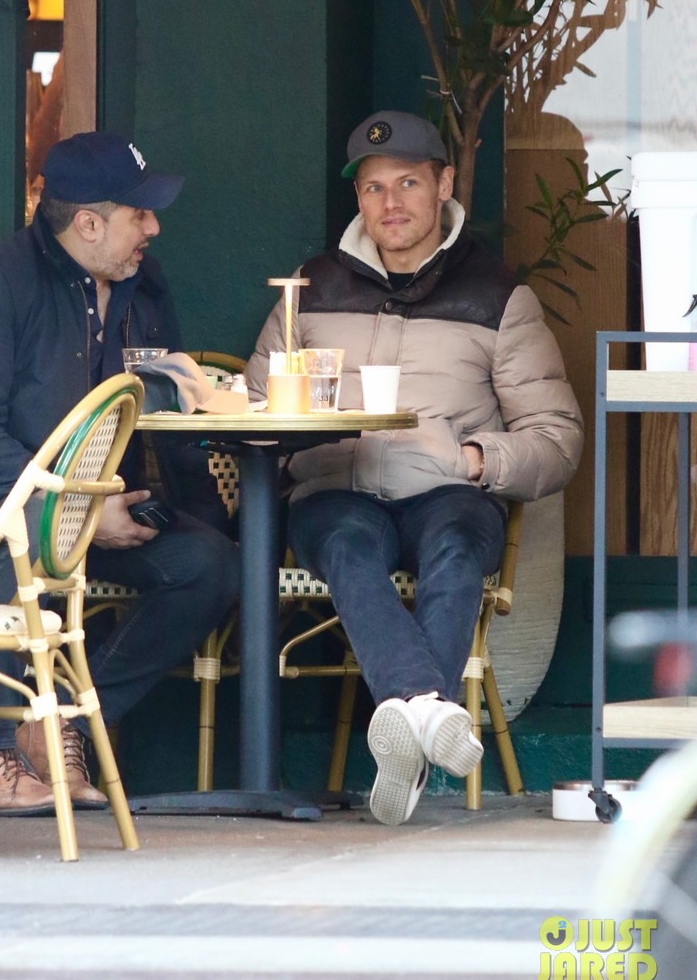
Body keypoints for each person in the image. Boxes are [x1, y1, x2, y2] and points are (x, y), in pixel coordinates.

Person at [246, 110, 584, 826]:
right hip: (338, 487)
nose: (389, 204)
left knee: (457, 545)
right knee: (344, 544)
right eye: (372, 189)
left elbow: (556, 439)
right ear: (358, 199)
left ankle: (406, 715)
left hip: (448, 493)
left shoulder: (497, 297)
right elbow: (254, 403)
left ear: (444, 186)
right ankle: (429, 714)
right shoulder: (307, 288)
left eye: (406, 183)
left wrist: (470, 458)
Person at [0, 131, 239, 815]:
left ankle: (61, 722)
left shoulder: (143, 284)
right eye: (141, 214)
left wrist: (205, 512)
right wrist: (67, 506)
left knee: (210, 563)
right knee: (17, 534)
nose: (154, 227)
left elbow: (160, 387)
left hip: (101, 507)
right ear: (87, 223)